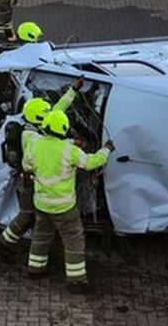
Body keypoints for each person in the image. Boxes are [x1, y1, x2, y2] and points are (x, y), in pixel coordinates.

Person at [26, 110, 114, 292]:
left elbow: (26, 166)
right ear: (64, 130)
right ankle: (76, 281)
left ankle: (35, 269)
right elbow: (91, 163)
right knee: (73, 240)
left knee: (41, 235)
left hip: (42, 203)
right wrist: (106, 149)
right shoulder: (70, 150)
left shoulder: (35, 145)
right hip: (63, 206)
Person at [0, 79, 84, 249]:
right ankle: (3, 243)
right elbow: (51, 148)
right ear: (39, 117)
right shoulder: (32, 137)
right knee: (26, 216)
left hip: (33, 181)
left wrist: (73, 90)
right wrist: (73, 143)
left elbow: (58, 109)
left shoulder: (35, 126)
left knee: (35, 219)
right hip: (28, 183)